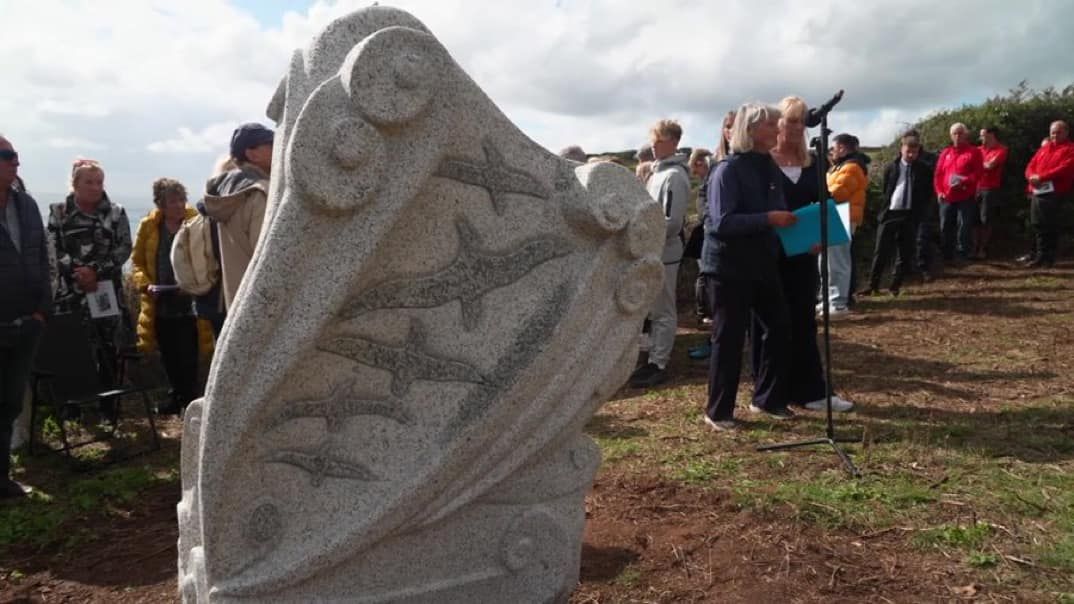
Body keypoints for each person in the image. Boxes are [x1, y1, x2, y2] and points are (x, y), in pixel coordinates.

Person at [702, 102, 796, 430]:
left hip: (763, 261)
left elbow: (781, 213)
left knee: (779, 328)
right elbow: (720, 223)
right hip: (729, 267)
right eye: (772, 125)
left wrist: (802, 236)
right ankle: (719, 412)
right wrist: (768, 219)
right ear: (752, 129)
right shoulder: (727, 170)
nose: (778, 130)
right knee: (728, 339)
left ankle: (767, 400)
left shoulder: (769, 166)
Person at [756, 97, 853, 413]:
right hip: (769, 256)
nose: (797, 127)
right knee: (771, 326)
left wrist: (822, 239)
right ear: (778, 124)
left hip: (803, 255)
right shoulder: (762, 162)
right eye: (791, 121)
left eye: (801, 121)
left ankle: (812, 390)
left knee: (803, 322)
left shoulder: (813, 162)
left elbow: (823, 204)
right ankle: (770, 393)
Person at [131, 179, 214, 414]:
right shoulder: (149, 226)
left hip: (191, 303)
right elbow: (137, 262)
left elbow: (209, 258)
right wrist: (145, 286)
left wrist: (193, 284)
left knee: (189, 354)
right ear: (160, 204)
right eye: (172, 201)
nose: (178, 205)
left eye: (181, 199)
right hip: (161, 303)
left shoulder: (197, 223)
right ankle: (176, 396)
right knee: (168, 354)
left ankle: (189, 401)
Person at [48, 159, 133, 389]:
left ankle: (107, 407)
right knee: (71, 347)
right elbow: (53, 248)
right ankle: (73, 406)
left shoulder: (115, 213)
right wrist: (80, 273)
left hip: (105, 292)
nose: (96, 187)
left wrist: (95, 271)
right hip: (71, 292)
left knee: (108, 348)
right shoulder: (59, 212)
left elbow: (124, 248)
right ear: (75, 184)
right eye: (89, 182)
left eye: (99, 182)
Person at [0, 135, 51, 498]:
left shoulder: (27, 205)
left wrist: (41, 312)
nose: (15, 162)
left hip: (26, 324)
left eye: (15, 155)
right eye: (6, 156)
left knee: (9, 402)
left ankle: (2, 479)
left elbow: (42, 258)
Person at [630, 120, 690, 388]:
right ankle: (652, 357)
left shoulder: (674, 175)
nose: (653, 144)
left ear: (673, 141)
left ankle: (659, 362)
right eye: (653, 139)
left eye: (659, 139)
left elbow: (672, 221)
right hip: (654, 248)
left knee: (663, 308)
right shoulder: (658, 173)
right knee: (653, 308)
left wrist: (641, 233)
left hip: (665, 251)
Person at [203, 123, 273, 310]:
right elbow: (269, 256)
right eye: (271, 144)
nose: (278, 148)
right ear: (252, 154)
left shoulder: (225, 193)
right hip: (264, 302)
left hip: (235, 300)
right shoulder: (259, 193)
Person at [862, 134, 933, 296]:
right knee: (881, 250)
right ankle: (873, 285)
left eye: (914, 152)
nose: (911, 155)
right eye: (908, 151)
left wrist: (920, 211)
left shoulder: (924, 169)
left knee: (904, 251)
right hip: (891, 213)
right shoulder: (891, 167)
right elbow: (886, 189)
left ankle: (895, 285)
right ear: (901, 149)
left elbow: (927, 193)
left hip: (910, 214)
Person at [824, 133, 869, 315]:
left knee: (838, 261)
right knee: (829, 261)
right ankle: (829, 298)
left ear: (842, 148)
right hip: (837, 215)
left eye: (833, 148)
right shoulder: (841, 167)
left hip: (844, 216)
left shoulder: (851, 168)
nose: (831, 152)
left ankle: (839, 301)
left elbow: (837, 193)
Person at [1021, 121, 1074, 267]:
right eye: (1053, 132)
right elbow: (1031, 165)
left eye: (1058, 132)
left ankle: (1048, 257)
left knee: (1050, 225)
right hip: (1037, 191)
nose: (1055, 135)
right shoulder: (1044, 148)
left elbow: (1065, 168)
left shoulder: (1070, 149)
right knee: (1038, 224)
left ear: (1066, 132)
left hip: (1055, 192)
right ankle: (1040, 256)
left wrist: (1041, 177)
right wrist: (1031, 176)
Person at [933, 123, 984, 264]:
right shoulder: (945, 153)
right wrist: (939, 191)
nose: (957, 136)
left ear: (966, 134)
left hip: (965, 196)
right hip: (946, 197)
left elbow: (978, 173)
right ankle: (947, 256)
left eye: (960, 133)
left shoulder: (974, 152)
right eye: (955, 133)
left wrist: (964, 181)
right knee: (945, 226)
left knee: (964, 226)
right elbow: (938, 175)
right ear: (951, 136)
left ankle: (963, 255)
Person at [685, 147, 712, 327]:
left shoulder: (706, 183)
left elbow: (703, 213)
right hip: (707, 234)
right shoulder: (706, 183)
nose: (695, 174)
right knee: (704, 275)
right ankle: (704, 312)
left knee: (704, 275)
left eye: (695, 170)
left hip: (708, 235)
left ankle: (704, 312)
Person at [973, 127, 1008, 259]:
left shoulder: (1001, 149)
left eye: (983, 135)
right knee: (974, 219)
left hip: (990, 189)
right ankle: (974, 247)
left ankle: (983, 249)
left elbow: (990, 166)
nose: (981, 138)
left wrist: (977, 164)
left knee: (986, 219)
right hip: (975, 187)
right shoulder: (977, 150)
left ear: (991, 135)